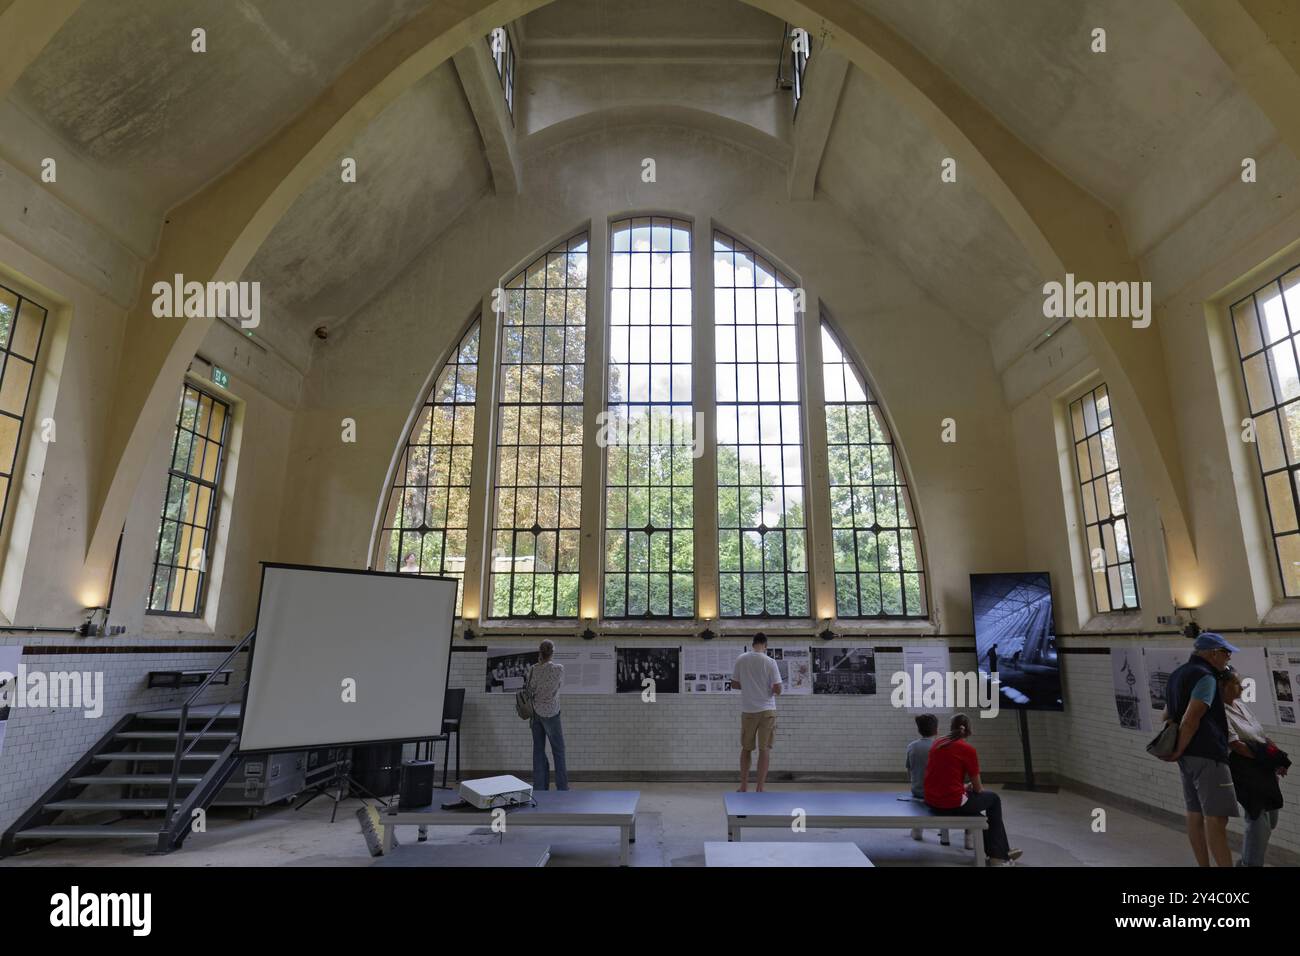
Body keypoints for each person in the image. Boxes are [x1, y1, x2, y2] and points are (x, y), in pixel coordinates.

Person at [1160, 633, 1239, 866]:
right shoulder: (1205, 677)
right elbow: (1192, 718)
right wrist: (1178, 749)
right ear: (1213, 653)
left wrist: (1179, 750)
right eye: (1226, 653)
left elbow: (1166, 715)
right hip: (1207, 754)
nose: (1228, 657)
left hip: (1188, 758)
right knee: (1217, 819)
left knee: (1194, 814)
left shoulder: (1177, 675)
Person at [923, 713, 1022, 866]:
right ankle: (997, 856)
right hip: (951, 803)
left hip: (931, 800)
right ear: (968, 730)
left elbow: (940, 777)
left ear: (951, 728)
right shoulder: (968, 749)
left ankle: (1002, 851)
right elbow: (979, 789)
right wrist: (968, 787)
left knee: (977, 811)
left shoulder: (938, 743)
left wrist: (962, 787)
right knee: (993, 799)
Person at [1219, 666, 1290, 866]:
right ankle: (1250, 864)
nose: (1241, 687)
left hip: (1262, 767)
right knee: (1257, 818)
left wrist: (1277, 758)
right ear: (1222, 687)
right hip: (1244, 770)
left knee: (1271, 818)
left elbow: (1259, 735)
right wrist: (1265, 758)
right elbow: (1237, 746)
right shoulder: (1219, 713)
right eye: (1235, 683)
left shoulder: (1240, 705)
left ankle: (1246, 861)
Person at [731, 633, 783, 792]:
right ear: (765, 645)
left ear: (752, 644)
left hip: (748, 710)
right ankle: (760, 787)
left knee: (746, 748)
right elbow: (778, 689)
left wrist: (748, 687)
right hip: (767, 710)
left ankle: (743, 785)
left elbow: (734, 684)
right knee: (764, 749)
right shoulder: (770, 662)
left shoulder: (741, 659)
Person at [905, 713, 952, 846]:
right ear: (936, 730)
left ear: (919, 730)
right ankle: (944, 836)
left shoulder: (911, 746)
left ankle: (917, 830)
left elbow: (909, 770)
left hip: (917, 791)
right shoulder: (942, 747)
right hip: (937, 795)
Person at [527, 639, 568, 791]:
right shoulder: (558, 669)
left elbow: (530, 690)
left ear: (539, 652)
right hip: (552, 713)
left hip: (536, 713)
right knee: (558, 750)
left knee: (538, 750)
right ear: (552, 652)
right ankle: (562, 787)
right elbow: (557, 686)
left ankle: (539, 787)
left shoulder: (533, 669)